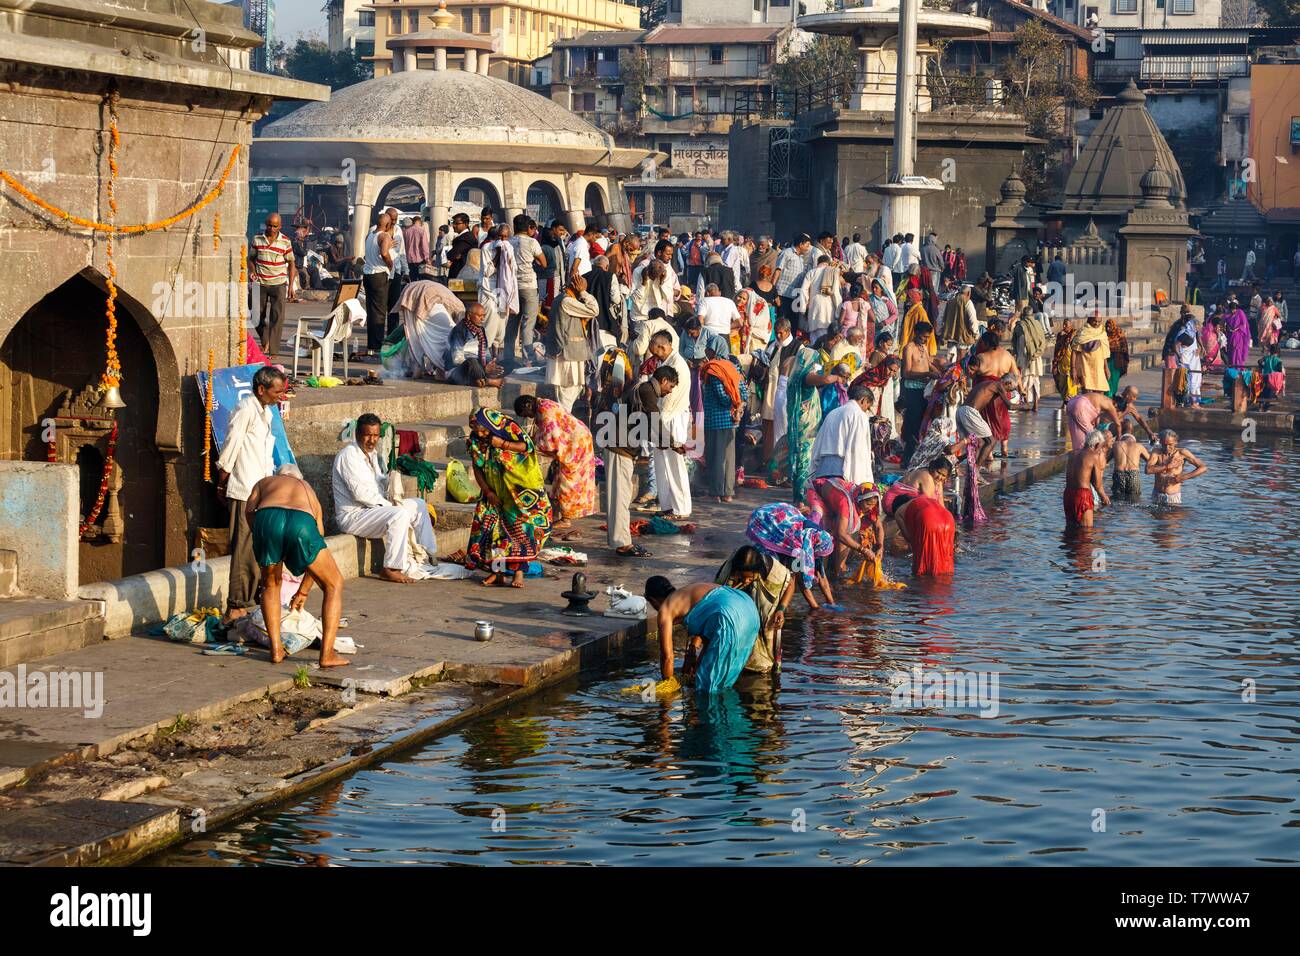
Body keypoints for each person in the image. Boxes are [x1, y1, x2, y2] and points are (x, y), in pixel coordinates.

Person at [245, 465, 348, 667]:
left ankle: (276, 650)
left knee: (270, 585)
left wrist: (263, 536)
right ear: (298, 477)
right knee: (334, 584)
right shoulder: (306, 488)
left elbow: (249, 510)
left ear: (279, 477)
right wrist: (304, 591)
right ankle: (327, 655)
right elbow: (318, 541)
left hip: (266, 519)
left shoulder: (264, 482)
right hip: (301, 521)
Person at [332, 413, 438, 584]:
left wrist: (390, 479)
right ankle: (391, 568)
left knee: (418, 504)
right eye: (368, 435)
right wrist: (391, 505)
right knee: (399, 514)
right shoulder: (348, 455)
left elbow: (378, 481)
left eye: (375, 435)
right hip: (353, 516)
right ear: (358, 434)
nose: (372, 440)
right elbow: (361, 494)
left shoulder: (372, 454)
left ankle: (429, 554)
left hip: (374, 511)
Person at [216, 365, 285, 626]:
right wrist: (223, 481)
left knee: (258, 549)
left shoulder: (266, 412)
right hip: (244, 489)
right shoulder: (245, 409)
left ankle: (252, 602)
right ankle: (236, 606)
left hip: (261, 492)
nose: (281, 395)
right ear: (261, 389)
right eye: (277, 391)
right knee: (244, 550)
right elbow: (231, 445)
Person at [598, 363, 681, 558]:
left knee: (622, 496)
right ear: (664, 381)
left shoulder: (644, 389)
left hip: (622, 446)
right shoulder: (647, 390)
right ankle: (623, 544)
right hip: (619, 447)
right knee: (620, 497)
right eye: (671, 387)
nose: (669, 392)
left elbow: (640, 422)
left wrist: (659, 441)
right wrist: (672, 442)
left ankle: (621, 540)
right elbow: (654, 419)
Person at [465, 408, 553, 587]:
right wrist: (487, 492)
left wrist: (502, 444)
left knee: (518, 531)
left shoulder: (508, 428)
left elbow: (526, 446)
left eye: (483, 429)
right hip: (493, 491)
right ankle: (497, 572)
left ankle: (518, 573)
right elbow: (477, 468)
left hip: (518, 491)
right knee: (493, 530)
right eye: (475, 430)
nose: (481, 434)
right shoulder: (474, 440)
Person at [643, 577, 761, 692]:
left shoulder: (666, 608)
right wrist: (696, 664)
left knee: (708, 689)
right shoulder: (688, 593)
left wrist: (667, 688)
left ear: (652, 600)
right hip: (749, 609)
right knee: (721, 682)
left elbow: (667, 657)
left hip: (728, 614)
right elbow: (710, 641)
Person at [513, 394, 596, 531]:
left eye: (526, 414)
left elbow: (549, 440)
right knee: (559, 478)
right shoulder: (542, 404)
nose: (528, 417)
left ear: (528, 405)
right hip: (574, 440)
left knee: (568, 480)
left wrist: (527, 445)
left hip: (576, 443)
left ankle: (566, 519)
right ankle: (560, 514)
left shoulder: (546, 412)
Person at [714, 545, 794, 677]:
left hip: (766, 622)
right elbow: (716, 598)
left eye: (750, 577)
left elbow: (790, 583)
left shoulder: (772, 569)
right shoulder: (729, 571)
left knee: (766, 665)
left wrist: (781, 609)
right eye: (742, 576)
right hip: (739, 623)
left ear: (758, 571)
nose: (745, 581)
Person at [785, 336, 845, 503]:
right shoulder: (804, 377)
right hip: (805, 427)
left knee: (803, 460)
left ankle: (801, 497)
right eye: (814, 363)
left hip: (804, 424)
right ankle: (800, 499)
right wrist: (837, 377)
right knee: (804, 461)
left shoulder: (797, 376)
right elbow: (824, 379)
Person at [745, 501, 836, 610]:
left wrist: (832, 603)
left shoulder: (816, 537)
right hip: (766, 520)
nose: (820, 556)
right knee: (773, 571)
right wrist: (815, 608)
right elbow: (799, 582)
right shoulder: (799, 547)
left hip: (785, 519)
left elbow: (822, 576)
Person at [643, 330, 693, 519]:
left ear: (663, 347)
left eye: (656, 353)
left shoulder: (677, 365)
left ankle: (681, 509)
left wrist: (656, 422)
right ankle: (667, 506)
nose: (655, 357)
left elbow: (668, 400)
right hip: (663, 418)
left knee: (674, 464)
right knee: (661, 464)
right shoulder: (666, 362)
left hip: (672, 418)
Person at [544, 271, 598, 413]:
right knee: (567, 395)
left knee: (569, 393)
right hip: (568, 355)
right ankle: (563, 424)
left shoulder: (562, 299)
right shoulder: (567, 301)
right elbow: (594, 310)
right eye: (582, 288)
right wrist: (584, 293)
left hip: (568, 354)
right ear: (577, 286)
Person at [250, 213, 298, 358]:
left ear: (280, 227)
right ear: (266, 224)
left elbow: (291, 263)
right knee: (255, 316)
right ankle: (265, 340)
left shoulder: (285, 242)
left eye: (274, 226)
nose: (271, 228)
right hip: (260, 283)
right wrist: (252, 271)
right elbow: (251, 259)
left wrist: (290, 287)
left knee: (277, 318)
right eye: (269, 225)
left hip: (279, 284)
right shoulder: (257, 239)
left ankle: (274, 350)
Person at [394, 279, 464, 378]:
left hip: (410, 291)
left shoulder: (456, 306)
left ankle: (417, 368)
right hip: (425, 296)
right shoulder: (460, 312)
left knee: (415, 335)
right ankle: (434, 371)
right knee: (442, 341)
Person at [701, 351, 747, 502]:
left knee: (715, 456)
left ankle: (715, 493)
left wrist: (733, 403)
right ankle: (728, 493)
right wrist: (738, 406)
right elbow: (744, 394)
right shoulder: (734, 368)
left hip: (715, 420)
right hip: (732, 420)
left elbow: (722, 398)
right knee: (728, 457)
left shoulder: (714, 370)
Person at [505, 215, 547, 368]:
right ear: (527, 226)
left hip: (513, 287)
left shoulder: (508, 242)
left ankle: (508, 357)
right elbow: (544, 263)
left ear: (514, 226)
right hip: (529, 285)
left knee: (512, 323)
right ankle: (528, 359)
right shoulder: (532, 242)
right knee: (528, 324)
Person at [899, 321, 942, 465]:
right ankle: (906, 460)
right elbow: (906, 373)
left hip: (925, 391)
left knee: (924, 425)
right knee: (913, 425)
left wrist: (939, 373)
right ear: (916, 333)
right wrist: (927, 374)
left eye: (928, 337)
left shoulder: (924, 346)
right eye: (924, 337)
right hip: (912, 390)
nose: (926, 339)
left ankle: (919, 458)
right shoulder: (909, 348)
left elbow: (928, 363)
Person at [892, 482, 955, 576]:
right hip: (948, 518)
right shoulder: (923, 500)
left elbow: (909, 538)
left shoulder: (898, 512)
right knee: (944, 557)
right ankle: (945, 584)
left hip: (928, 517)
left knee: (923, 561)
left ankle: (924, 586)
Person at [959, 373, 1015, 470]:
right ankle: (976, 470)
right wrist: (1026, 406)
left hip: (963, 411)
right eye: (1010, 390)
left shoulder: (988, 383)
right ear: (1008, 383)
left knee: (980, 443)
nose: (1007, 392)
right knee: (991, 441)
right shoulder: (998, 385)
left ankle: (957, 460)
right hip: (969, 412)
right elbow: (1010, 406)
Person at [446, 302, 506, 387]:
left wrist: (490, 365)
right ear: (468, 315)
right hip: (457, 372)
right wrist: (484, 368)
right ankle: (488, 381)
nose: (482, 319)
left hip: (477, 370)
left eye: (484, 316)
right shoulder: (459, 331)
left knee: (503, 366)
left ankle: (479, 380)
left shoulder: (481, 331)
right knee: (472, 361)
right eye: (480, 316)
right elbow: (457, 359)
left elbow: (486, 354)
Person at [361, 211, 396, 355]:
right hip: (379, 275)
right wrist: (390, 263)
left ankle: (372, 343)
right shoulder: (384, 235)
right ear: (387, 225)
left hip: (368, 274)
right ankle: (377, 345)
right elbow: (383, 252)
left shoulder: (370, 235)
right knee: (380, 312)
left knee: (371, 310)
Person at [1063, 429, 1110, 527]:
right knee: (1086, 531)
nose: (1100, 451)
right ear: (1097, 445)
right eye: (1100, 447)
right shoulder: (1093, 456)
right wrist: (1105, 498)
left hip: (1068, 494)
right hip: (1082, 495)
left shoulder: (1072, 455)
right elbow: (1097, 485)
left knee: (1070, 530)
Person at [1146, 429, 1206, 506]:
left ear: (1175, 442)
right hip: (1157, 495)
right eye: (1164, 445)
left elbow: (1203, 467)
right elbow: (1148, 470)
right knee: (1156, 517)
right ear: (1160, 442)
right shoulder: (1156, 452)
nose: (1167, 448)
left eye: (1170, 444)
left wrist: (1183, 477)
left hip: (1173, 497)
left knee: (1173, 517)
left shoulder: (1182, 453)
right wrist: (1168, 466)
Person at [799, 254, 843, 339]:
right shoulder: (832, 272)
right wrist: (838, 313)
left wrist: (803, 309)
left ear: (818, 263)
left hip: (814, 310)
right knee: (827, 339)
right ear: (828, 263)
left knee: (814, 340)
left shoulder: (811, 272)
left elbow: (803, 290)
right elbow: (836, 295)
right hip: (828, 311)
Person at [1012, 304, 1047, 412]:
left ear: (1023, 314)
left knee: (1025, 380)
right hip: (1036, 357)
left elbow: (1015, 340)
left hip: (1024, 357)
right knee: (1036, 381)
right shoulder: (1037, 324)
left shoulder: (1020, 325)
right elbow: (1043, 341)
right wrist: (1036, 353)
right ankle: (1035, 404)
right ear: (1032, 314)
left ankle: (1027, 403)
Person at [1071, 310, 1111, 393]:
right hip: (1085, 366)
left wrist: (1106, 368)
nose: (1096, 323)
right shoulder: (1082, 333)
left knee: (1100, 393)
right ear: (1089, 320)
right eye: (1094, 321)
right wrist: (1073, 369)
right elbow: (1074, 352)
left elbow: (1104, 353)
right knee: (1087, 393)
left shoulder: (1102, 332)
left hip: (1099, 367)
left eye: (1099, 322)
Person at [1111, 420, 1150, 501]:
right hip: (1134, 475)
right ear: (1132, 432)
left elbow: (1104, 461)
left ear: (1121, 431)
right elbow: (1151, 462)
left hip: (1119, 474)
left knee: (1117, 501)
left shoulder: (1115, 445)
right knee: (1134, 502)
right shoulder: (1139, 446)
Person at [404, 215, 430, 281]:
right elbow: (425, 246)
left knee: (412, 279)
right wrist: (427, 258)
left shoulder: (406, 231)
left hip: (409, 259)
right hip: (420, 259)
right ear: (420, 222)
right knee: (421, 280)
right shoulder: (422, 230)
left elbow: (404, 246)